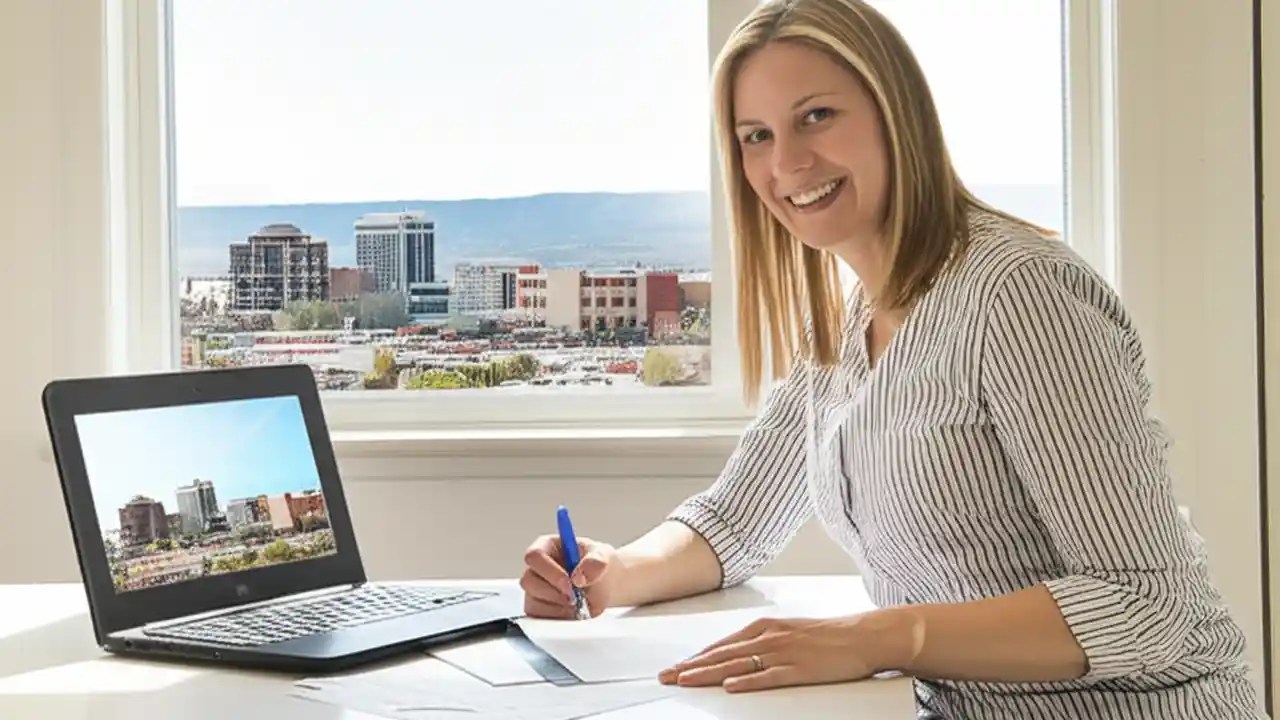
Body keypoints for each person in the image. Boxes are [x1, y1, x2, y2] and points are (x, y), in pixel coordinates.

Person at [518, 0, 1264, 717]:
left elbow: (1146, 601)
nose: (789, 163)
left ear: (894, 111)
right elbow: (736, 521)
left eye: (816, 116)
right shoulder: (849, 323)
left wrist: (882, 637)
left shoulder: (1019, 293)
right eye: (756, 136)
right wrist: (612, 572)